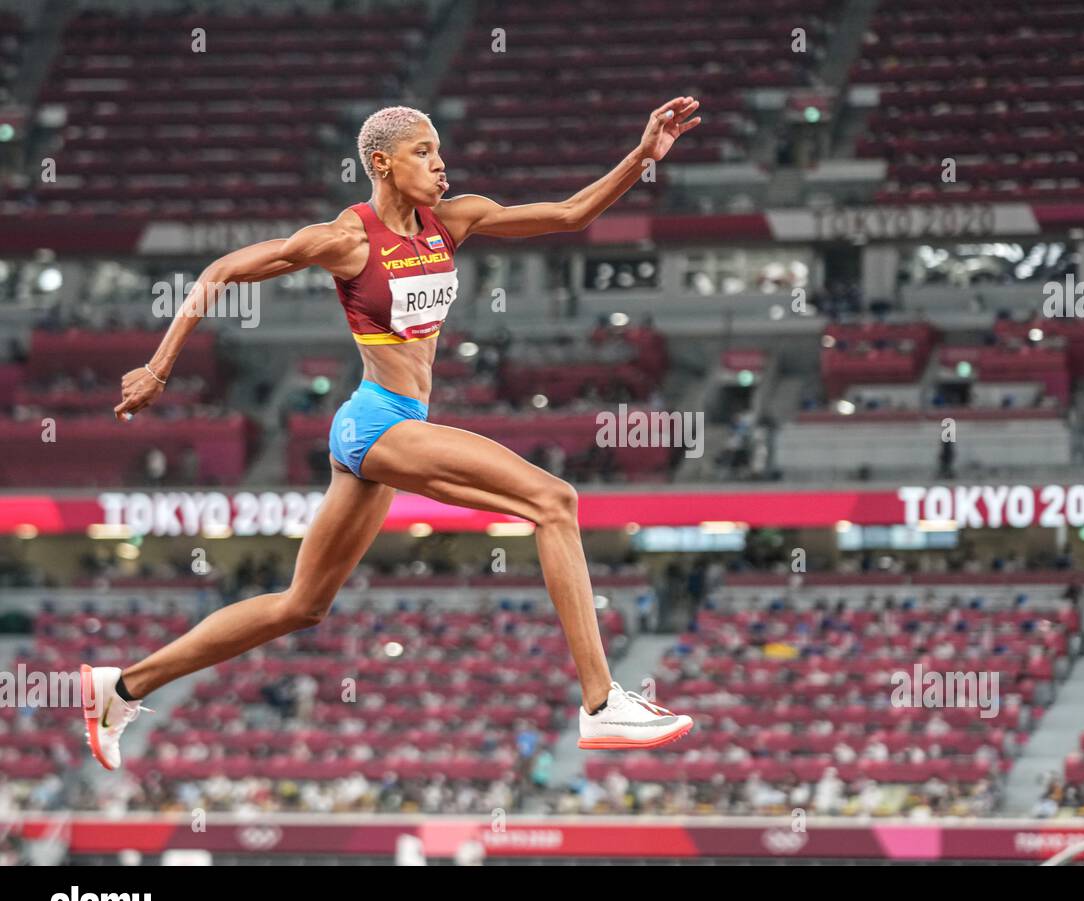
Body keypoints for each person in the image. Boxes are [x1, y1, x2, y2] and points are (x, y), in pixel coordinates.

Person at [82, 100, 702, 771]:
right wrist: (159, 366)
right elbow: (219, 273)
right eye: (424, 152)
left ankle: (120, 687)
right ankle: (602, 703)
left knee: (301, 604)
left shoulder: (454, 220)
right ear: (382, 162)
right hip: (374, 421)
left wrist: (642, 156)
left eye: (440, 151)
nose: (441, 164)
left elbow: (568, 215)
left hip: (391, 428)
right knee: (554, 501)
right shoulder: (345, 240)